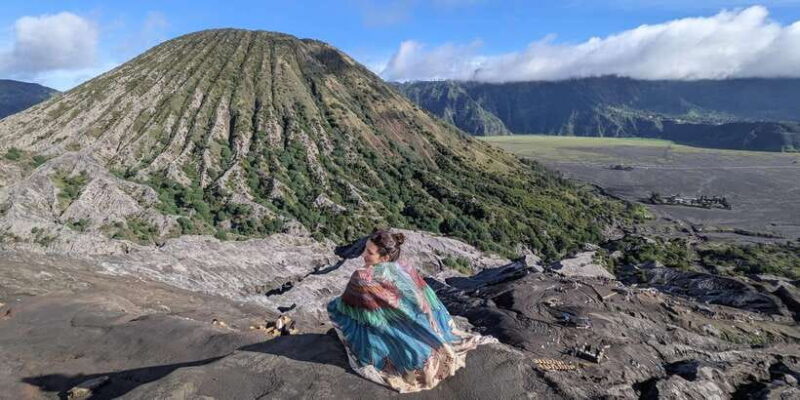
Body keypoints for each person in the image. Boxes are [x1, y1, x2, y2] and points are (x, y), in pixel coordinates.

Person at [326, 229, 497, 393]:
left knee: (338, 310)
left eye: (369, 252)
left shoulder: (362, 277)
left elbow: (344, 307)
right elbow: (425, 297)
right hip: (426, 326)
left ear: (385, 257)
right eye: (365, 249)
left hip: (394, 333)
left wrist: (334, 306)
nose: (363, 254)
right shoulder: (404, 266)